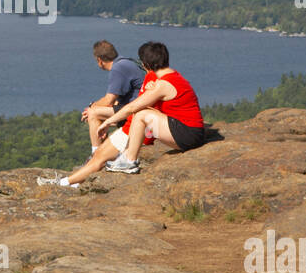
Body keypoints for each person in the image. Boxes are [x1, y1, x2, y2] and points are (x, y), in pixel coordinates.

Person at [39, 41, 204, 187]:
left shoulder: (163, 84)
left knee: (142, 115)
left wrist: (107, 121)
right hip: (158, 128)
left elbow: (133, 108)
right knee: (99, 156)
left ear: (146, 63)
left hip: (187, 134)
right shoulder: (158, 78)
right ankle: (63, 184)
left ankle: (130, 162)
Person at [80, 41, 143, 155]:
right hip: (140, 107)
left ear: (99, 60)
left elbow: (109, 99)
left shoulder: (118, 68)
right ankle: (102, 154)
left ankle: (96, 155)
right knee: (97, 114)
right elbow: (115, 101)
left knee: (92, 114)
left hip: (137, 111)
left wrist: (91, 107)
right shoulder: (125, 62)